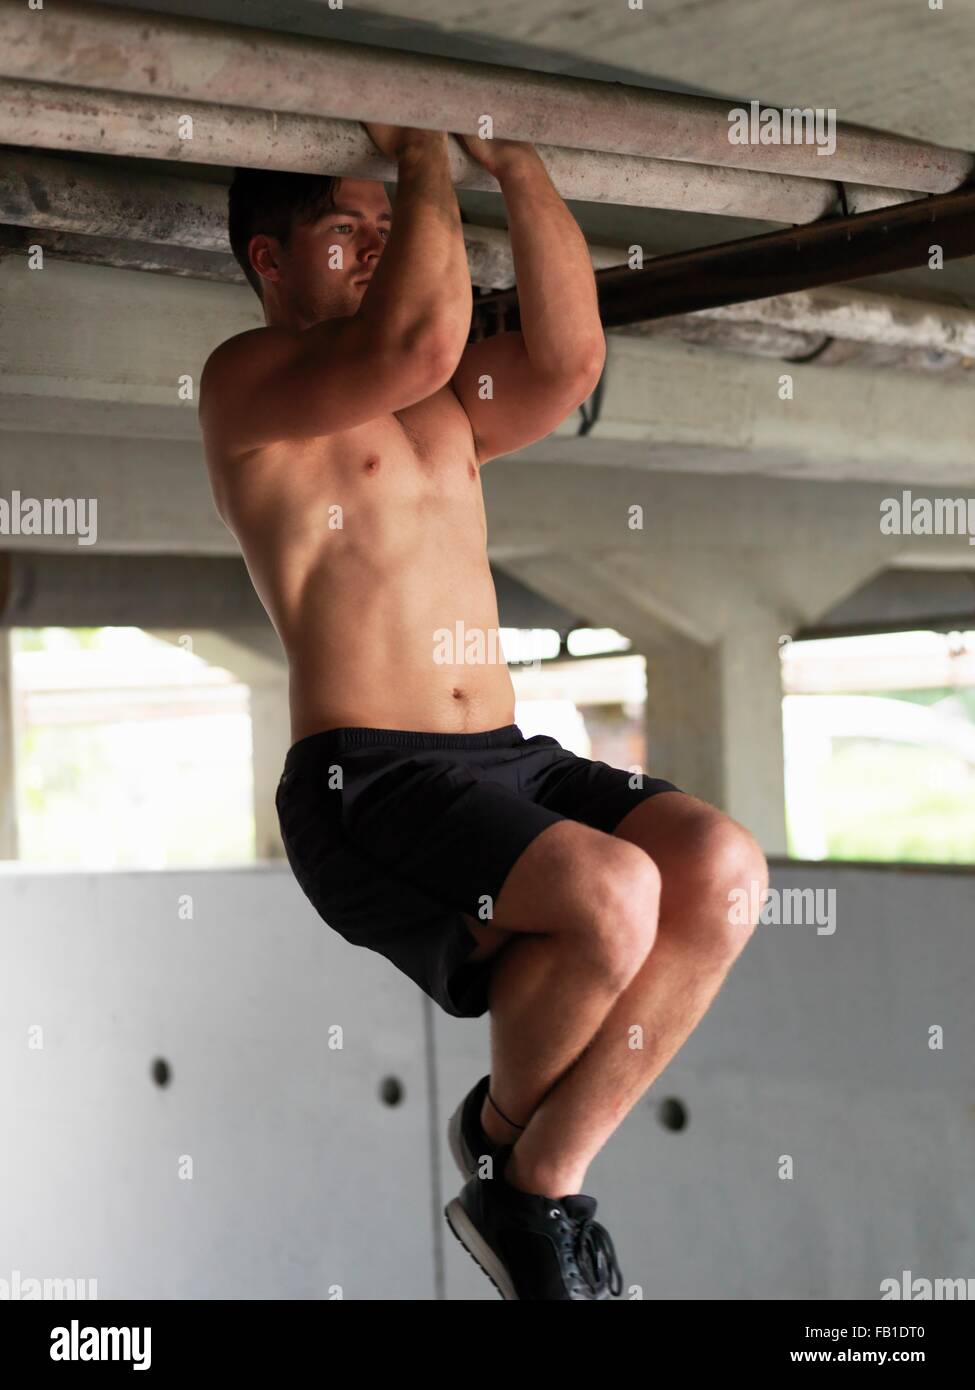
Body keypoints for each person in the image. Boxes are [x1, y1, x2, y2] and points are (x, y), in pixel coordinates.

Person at [198, 123, 768, 1300]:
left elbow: (566, 360)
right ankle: (523, 1178)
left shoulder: (447, 413)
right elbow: (415, 336)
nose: (374, 255)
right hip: (370, 781)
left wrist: (513, 163)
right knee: (613, 898)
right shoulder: (249, 387)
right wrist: (417, 161)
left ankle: (528, 1171)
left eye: (386, 237)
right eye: (347, 236)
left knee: (718, 869)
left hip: (503, 762)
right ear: (271, 262)